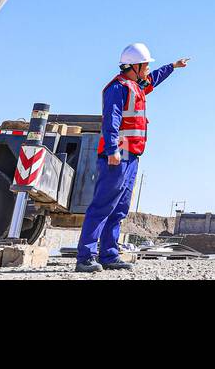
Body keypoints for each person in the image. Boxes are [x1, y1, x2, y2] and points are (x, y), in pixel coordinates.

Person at [75, 43, 190, 273]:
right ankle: (85, 257)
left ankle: (109, 254)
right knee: (102, 206)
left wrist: (173, 67)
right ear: (134, 66)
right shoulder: (117, 88)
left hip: (132, 157)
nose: (148, 70)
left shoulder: (136, 86)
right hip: (118, 156)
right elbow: (111, 120)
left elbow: (154, 79)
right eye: (145, 65)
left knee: (119, 209)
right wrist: (112, 151)